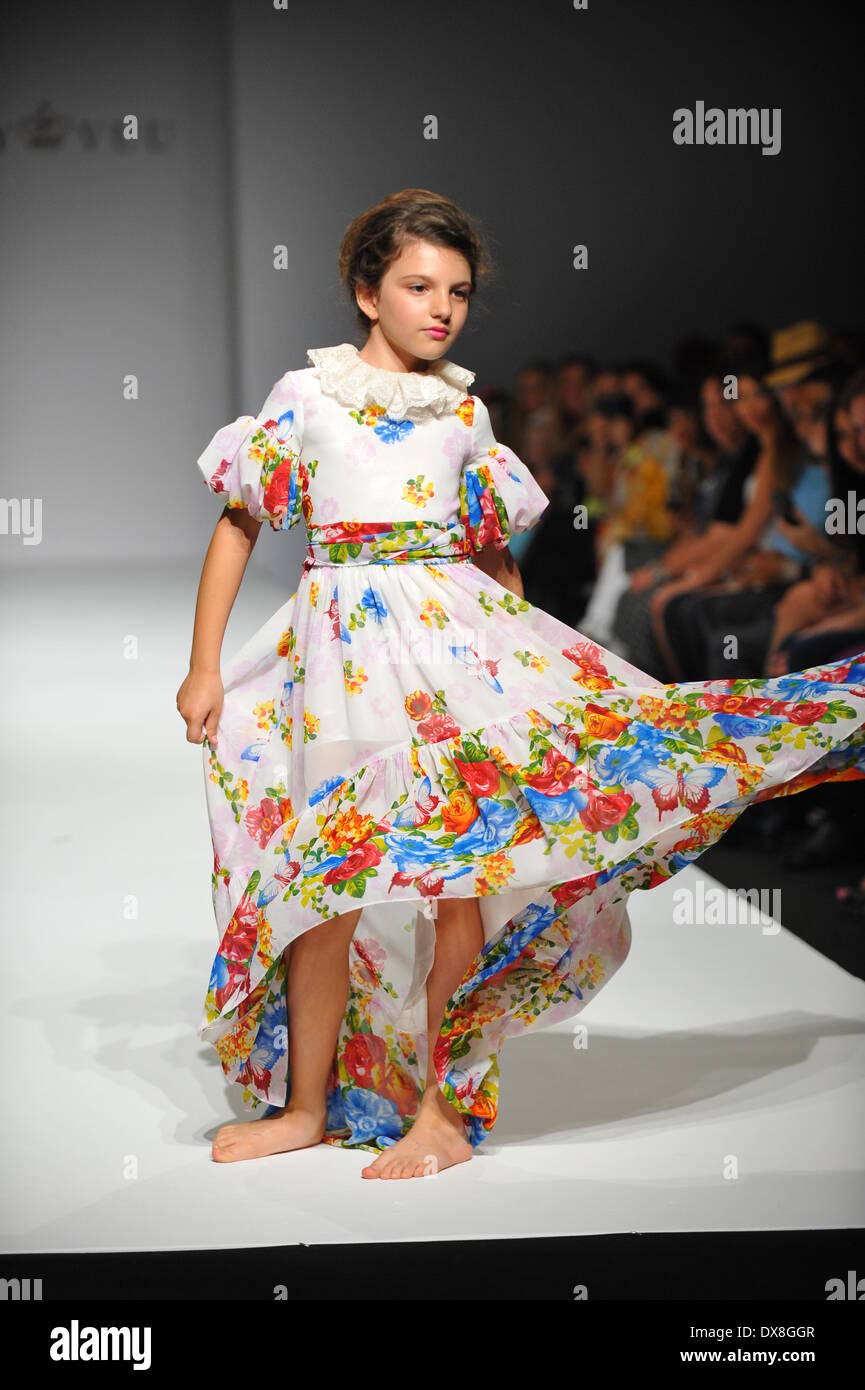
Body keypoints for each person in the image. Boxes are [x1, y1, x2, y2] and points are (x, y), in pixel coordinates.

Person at [177, 188, 865, 1181]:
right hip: (334, 663)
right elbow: (241, 522)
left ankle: (440, 1111)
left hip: (450, 659)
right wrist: (204, 666)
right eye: (418, 285)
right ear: (367, 291)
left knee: (456, 882)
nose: (440, 307)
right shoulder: (305, 398)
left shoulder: (465, 412)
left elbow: (496, 567)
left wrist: (526, 683)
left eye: (456, 290)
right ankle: (306, 1106)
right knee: (323, 884)